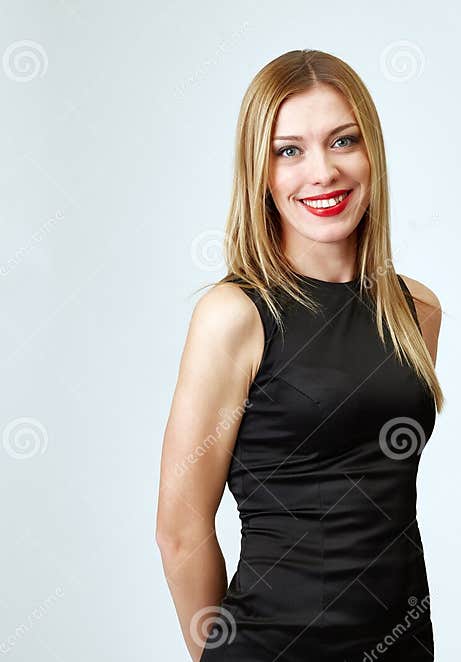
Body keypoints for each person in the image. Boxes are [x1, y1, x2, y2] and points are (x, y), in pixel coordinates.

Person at [156, 49, 443, 661]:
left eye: (343, 141)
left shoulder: (417, 310)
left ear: (372, 154)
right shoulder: (235, 314)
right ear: (261, 171)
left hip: (404, 644)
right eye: (290, 150)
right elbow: (180, 532)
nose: (323, 172)